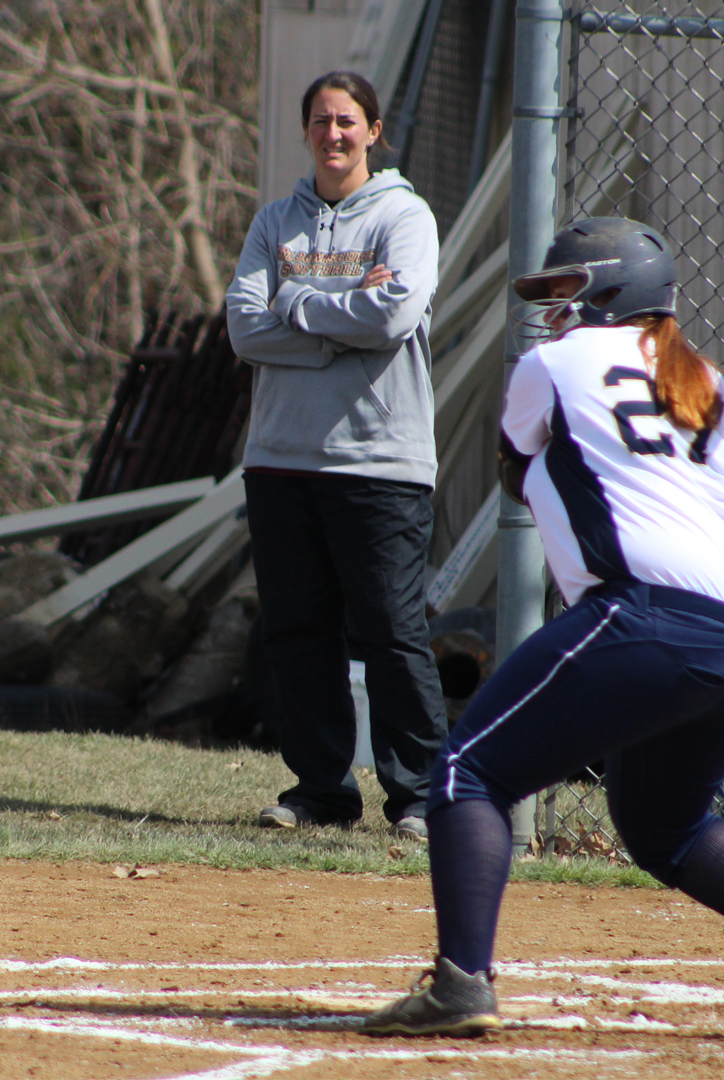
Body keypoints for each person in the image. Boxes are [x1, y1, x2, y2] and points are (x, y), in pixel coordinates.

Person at [359, 218, 724, 1041]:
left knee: (469, 772)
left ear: (612, 290)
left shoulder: (552, 366)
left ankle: (461, 985)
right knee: (664, 826)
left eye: (567, 291)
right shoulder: (717, 393)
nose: (554, 311)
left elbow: (517, 467)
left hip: (642, 616)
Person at [224, 71, 448, 839]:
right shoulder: (275, 223)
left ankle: (419, 797)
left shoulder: (404, 217)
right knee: (297, 633)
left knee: (391, 631)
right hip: (280, 460)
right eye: (321, 121)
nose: (334, 134)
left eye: (347, 121)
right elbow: (244, 328)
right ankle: (320, 792)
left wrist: (294, 301)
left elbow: (392, 318)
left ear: (373, 132)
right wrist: (335, 323)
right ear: (307, 131)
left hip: (379, 463)